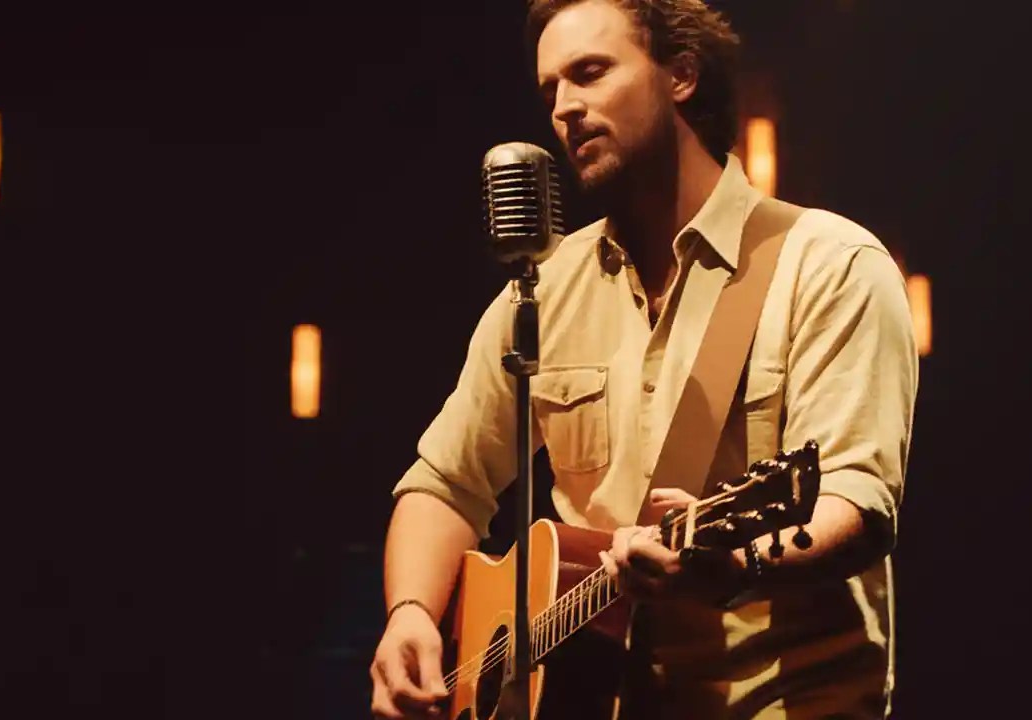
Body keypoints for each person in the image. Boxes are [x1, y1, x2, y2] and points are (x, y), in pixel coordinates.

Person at [369, 0, 918, 717]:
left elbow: (857, 502)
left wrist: (727, 561)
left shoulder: (831, 265)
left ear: (681, 76)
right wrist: (410, 612)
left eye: (590, 73)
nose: (565, 107)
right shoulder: (545, 285)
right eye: (550, 90)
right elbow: (444, 481)